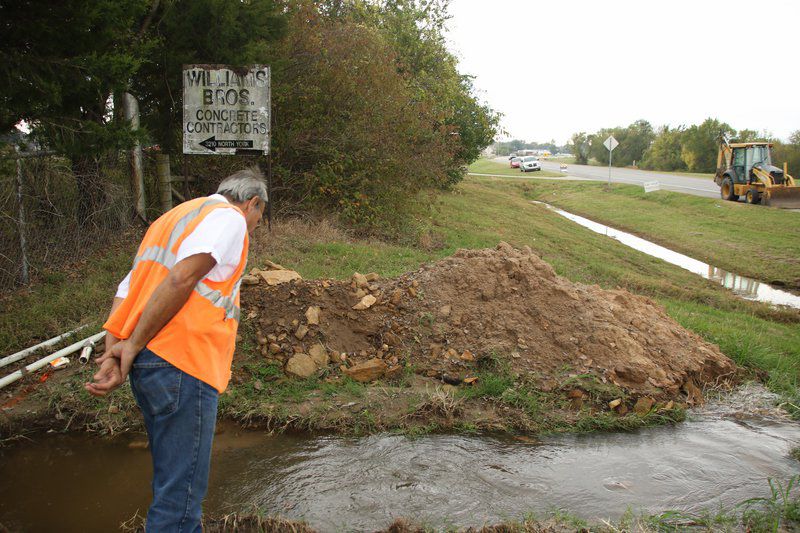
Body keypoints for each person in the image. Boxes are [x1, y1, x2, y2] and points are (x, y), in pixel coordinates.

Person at [85, 167, 267, 532]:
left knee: (172, 485)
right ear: (253, 204)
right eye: (260, 217)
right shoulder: (230, 219)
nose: (256, 225)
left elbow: (127, 288)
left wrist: (116, 351)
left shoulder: (172, 218)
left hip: (150, 366)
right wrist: (130, 345)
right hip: (183, 363)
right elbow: (182, 277)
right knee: (179, 502)